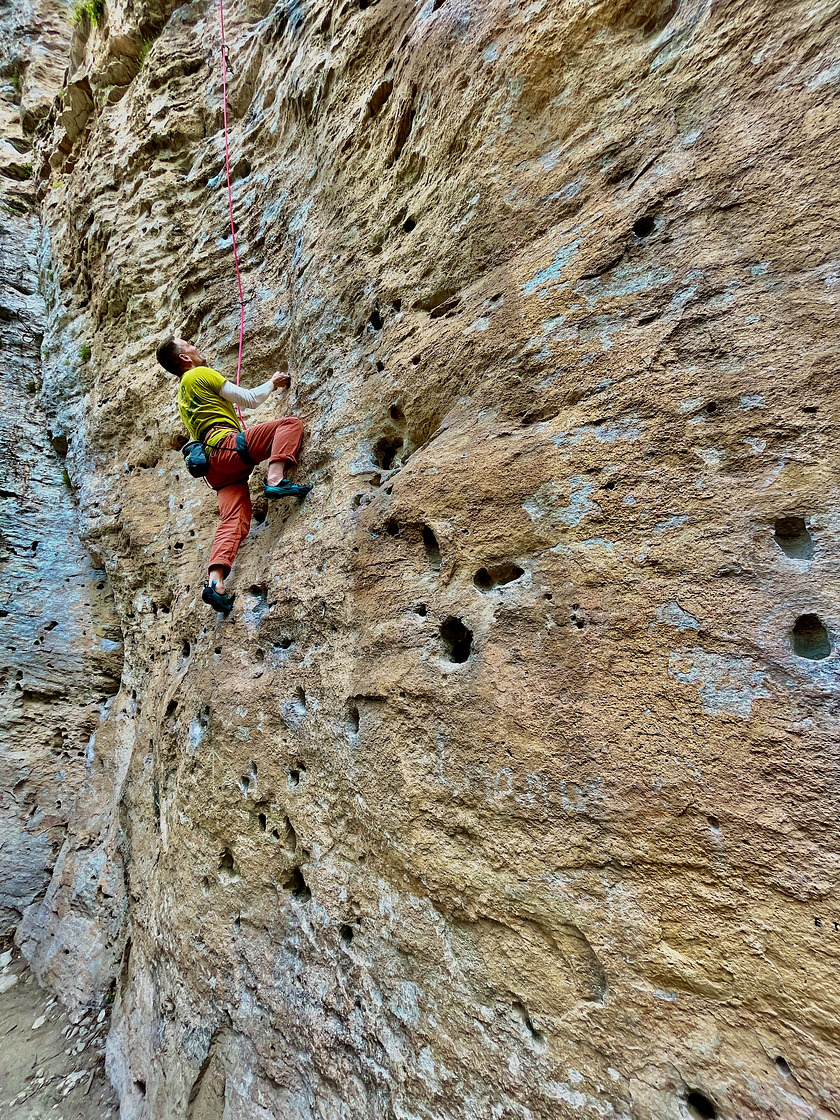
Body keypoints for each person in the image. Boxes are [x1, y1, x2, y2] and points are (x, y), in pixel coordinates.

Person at [156, 336, 311, 614]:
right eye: (188, 344)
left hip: (213, 469)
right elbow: (249, 399)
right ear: (184, 358)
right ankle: (275, 479)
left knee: (233, 521)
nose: (195, 346)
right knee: (289, 425)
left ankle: (215, 583)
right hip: (226, 447)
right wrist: (273, 383)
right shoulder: (199, 374)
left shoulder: (183, 396)